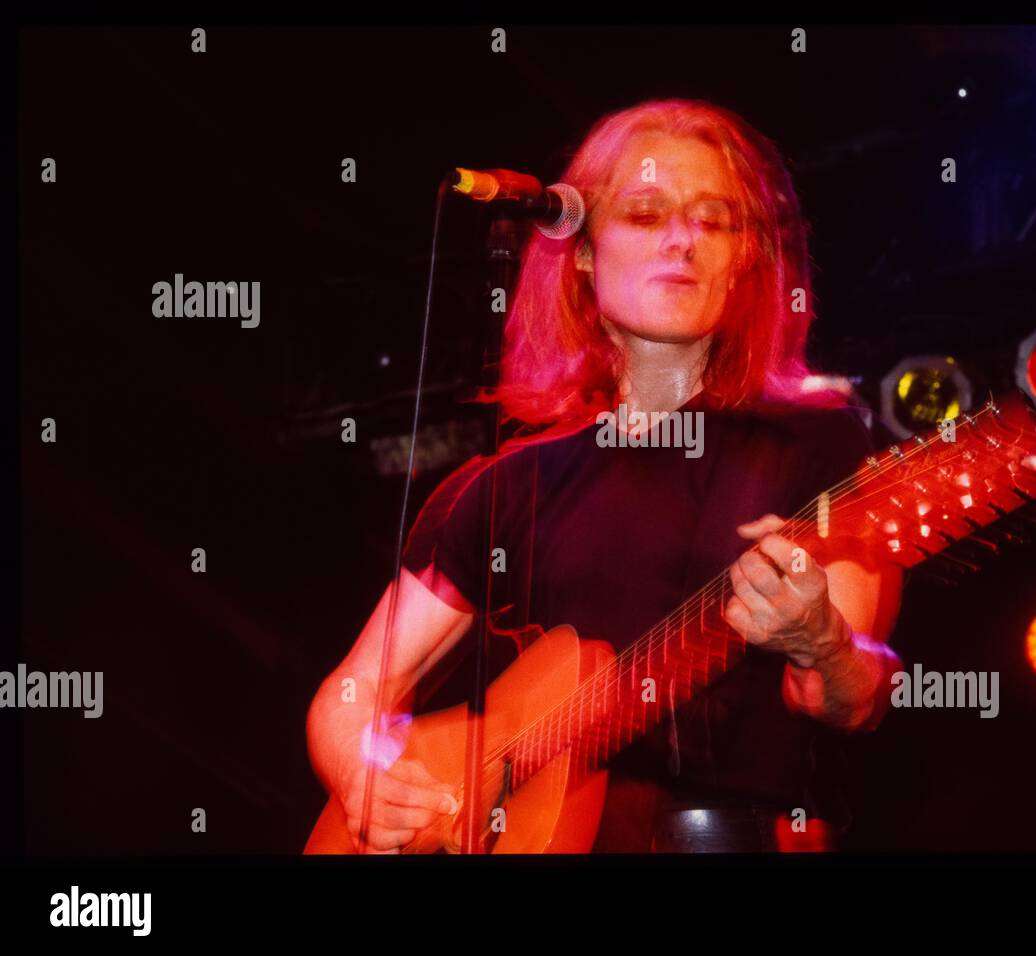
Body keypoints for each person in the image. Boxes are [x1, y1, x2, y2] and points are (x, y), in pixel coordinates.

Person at [306, 97, 903, 853]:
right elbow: (350, 694)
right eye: (647, 215)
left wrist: (820, 641)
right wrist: (367, 779)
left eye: (713, 220)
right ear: (580, 250)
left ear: (744, 257)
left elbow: (855, 701)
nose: (683, 240)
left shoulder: (816, 442)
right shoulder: (507, 485)